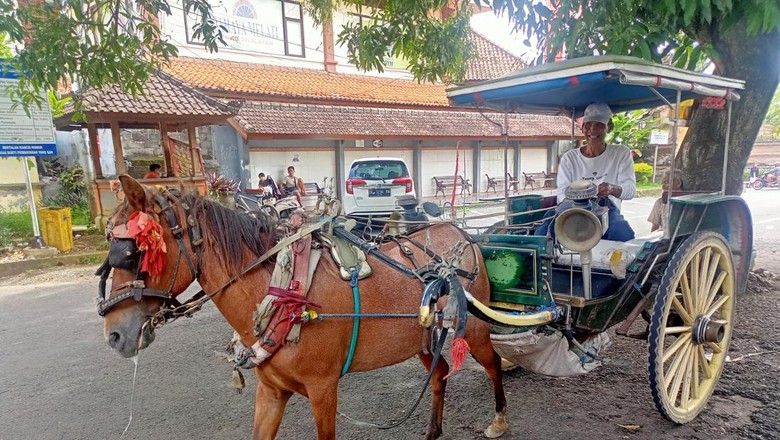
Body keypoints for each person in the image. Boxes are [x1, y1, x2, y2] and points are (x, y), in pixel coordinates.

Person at [536, 102, 637, 241]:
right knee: (543, 233)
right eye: (588, 125)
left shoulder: (620, 153)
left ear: (609, 127)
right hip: (572, 206)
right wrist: (576, 203)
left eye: (599, 125)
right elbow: (562, 192)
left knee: (623, 233)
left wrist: (612, 189)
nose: (592, 130)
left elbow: (630, 190)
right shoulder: (570, 157)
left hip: (605, 208)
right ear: (582, 128)